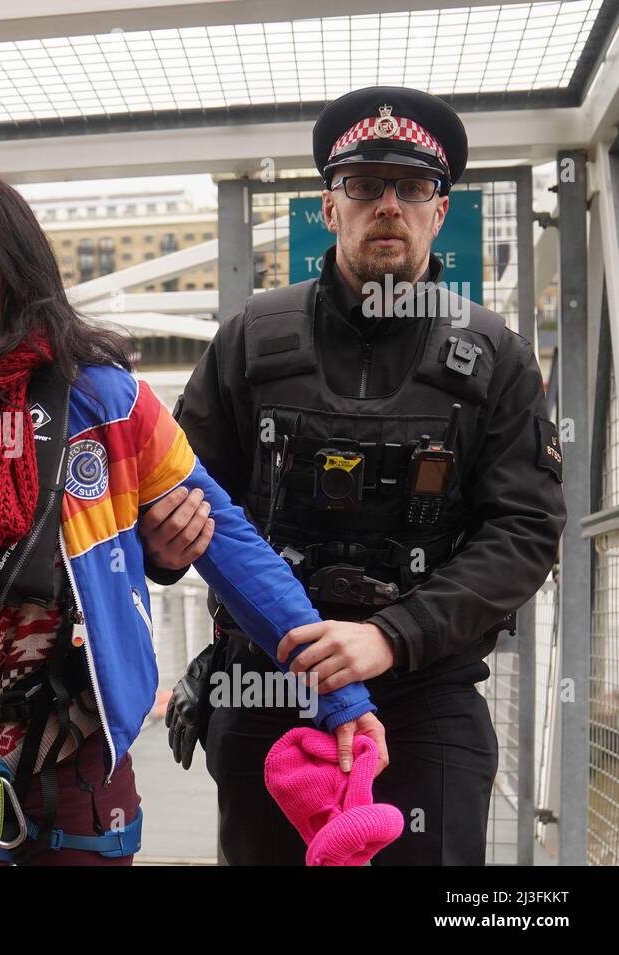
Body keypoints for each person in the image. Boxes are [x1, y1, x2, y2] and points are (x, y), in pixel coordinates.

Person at [0, 166, 386, 866]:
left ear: (13, 267)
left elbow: (234, 549)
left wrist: (339, 694)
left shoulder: (105, 402)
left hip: (78, 752)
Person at [172, 86, 566, 865]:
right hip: (267, 683)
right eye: (365, 184)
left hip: (423, 687)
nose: (388, 203)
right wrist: (162, 546)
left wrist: (391, 636)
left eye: (411, 187)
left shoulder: (495, 357)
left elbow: (524, 530)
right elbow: (182, 494)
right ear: (330, 205)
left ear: (438, 208)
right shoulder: (250, 339)